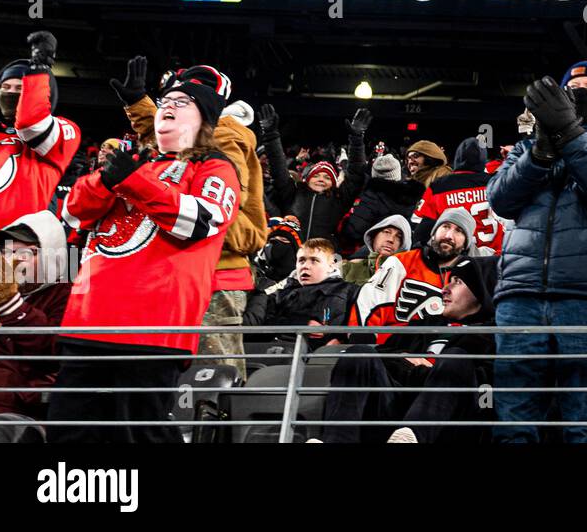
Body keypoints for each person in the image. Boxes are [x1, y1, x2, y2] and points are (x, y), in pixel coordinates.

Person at [53, 65, 240, 442]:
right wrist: (107, 179)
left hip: (152, 327)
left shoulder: (216, 167)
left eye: (182, 102)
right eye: (164, 101)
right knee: (68, 432)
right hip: (88, 321)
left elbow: (201, 222)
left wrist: (132, 182)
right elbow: (72, 213)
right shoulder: (133, 163)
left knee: (141, 433)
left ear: (204, 116)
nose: (168, 107)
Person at [488, 60, 587, 443]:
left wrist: (572, 134)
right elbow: (501, 199)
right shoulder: (527, 147)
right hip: (520, 294)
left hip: (585, 295)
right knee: (514, 421)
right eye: (571, 87)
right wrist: (540, 152)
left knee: (586, 419)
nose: (580, 90)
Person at [112, 56, 268, 378]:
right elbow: (169, 143)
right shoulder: (200, 132)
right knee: (178, 380)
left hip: (216, 276)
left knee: (211, 381)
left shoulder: (226, 135)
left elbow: (218, 205)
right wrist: (138, 104)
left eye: (187, 98)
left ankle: (217, 429)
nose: (174, 107)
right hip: (189, 272)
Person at [322, 254, 499, 444]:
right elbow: (382, 352)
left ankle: (412, 436)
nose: (444, 289)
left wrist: (430, 369)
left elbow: (486, 394)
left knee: (456, 359)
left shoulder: (493, 338)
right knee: (358, 355)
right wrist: (403, 357)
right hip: (396, 413)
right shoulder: (424, 324)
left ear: (480, 291)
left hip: (450, 426)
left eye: (457, 282)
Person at [0, 31, 81, 234]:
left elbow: (31, 125)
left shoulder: (66, 130)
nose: (11, 93)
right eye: (5, 87)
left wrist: (40, 72)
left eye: (20, 88)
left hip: (10, 251)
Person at [0, 212, 71, 419]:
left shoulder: (70, 295)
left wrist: (10, 306)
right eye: (6, 252)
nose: (12, 260)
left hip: (12, 411)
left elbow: (54, 353)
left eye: (26, 253)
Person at [350, 208, 475, 343]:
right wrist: (364, 343)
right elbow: (370, 302)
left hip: (437, 356)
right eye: (445, 226)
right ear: (433, 233)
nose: (449, 235)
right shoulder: (401, 262)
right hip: (388, 349)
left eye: (459, 231)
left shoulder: (470, 278)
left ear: (465, 244)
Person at [259, 104, 368, 242]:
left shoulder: (339, 199)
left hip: (323, 257)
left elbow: (356, 173)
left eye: (327, 177)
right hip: (291, 256)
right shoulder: (293, 193)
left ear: (334, 183)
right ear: (306, 179)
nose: (321, 179)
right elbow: (278, 168)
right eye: (315, 175)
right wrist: (270, 135)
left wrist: (357, 138)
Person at [242, 238, 356, 345]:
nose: (305, 266)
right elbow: (263, 326)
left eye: (314, 261)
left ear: (331, 266)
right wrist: (302, 323)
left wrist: (342, 340)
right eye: (301, 261)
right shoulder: (280, 293)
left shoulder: (350, 291)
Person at [412, 136, 504, 253]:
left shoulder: (439, 186)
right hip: (496, 260)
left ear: (458, 159)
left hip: (454, 259)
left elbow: (419, 228)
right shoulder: (496, 183)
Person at [335, 150, 423, 253]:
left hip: (369, 253)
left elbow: (353, 231)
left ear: (374, 174)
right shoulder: (414, 197)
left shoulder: (371, 197)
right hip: (401, 255)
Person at [339, 213, 411, 284]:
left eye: (399, 237)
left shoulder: (404, 279)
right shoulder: (347, 268)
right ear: (373, 237)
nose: (391, 239)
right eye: (387, 232)